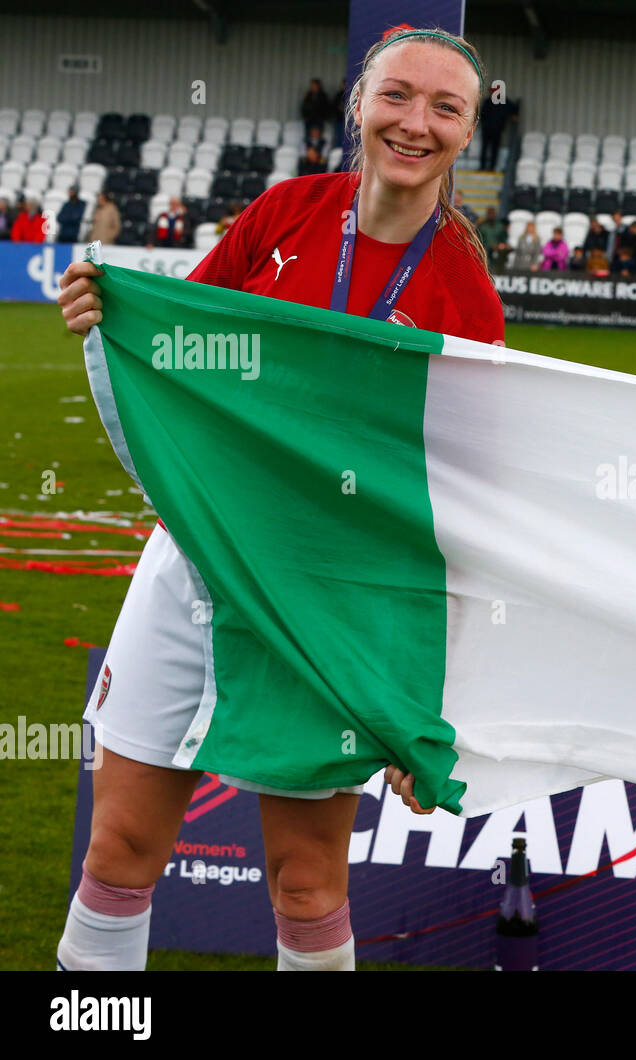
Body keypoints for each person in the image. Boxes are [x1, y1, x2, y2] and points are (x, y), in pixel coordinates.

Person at [55, 26, 502, 973]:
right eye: (396, 96)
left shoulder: (466, 295)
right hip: (199, 562)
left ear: (469, 132)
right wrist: (110, 312)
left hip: (329, 604)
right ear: (358, 104)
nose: (415, 123)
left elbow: (452, 516)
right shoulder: (287, 211)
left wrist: (413, 697)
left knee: (307, 885)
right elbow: (181, 356)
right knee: (118, 853)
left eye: (445, 107)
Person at [477, 94, 519, 172]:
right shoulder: (488, 101)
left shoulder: (504, 102)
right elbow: (482, 114)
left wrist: (515, 115)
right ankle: (482, 167)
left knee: (494, 149)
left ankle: (491, 168)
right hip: (487, 129)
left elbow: (514, 108)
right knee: (485, 148)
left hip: (497, 130)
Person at [475, 205, 510, 271]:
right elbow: (479, 240)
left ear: (495, 214)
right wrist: (489, 246)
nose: (491, 215)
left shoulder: (500, 226)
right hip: (485, 249)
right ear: (487, 214)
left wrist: (501, 244)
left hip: (499, 248)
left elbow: (503, 238)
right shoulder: (482, 226)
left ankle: (502, 270)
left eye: (492, 213)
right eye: (489, 213)